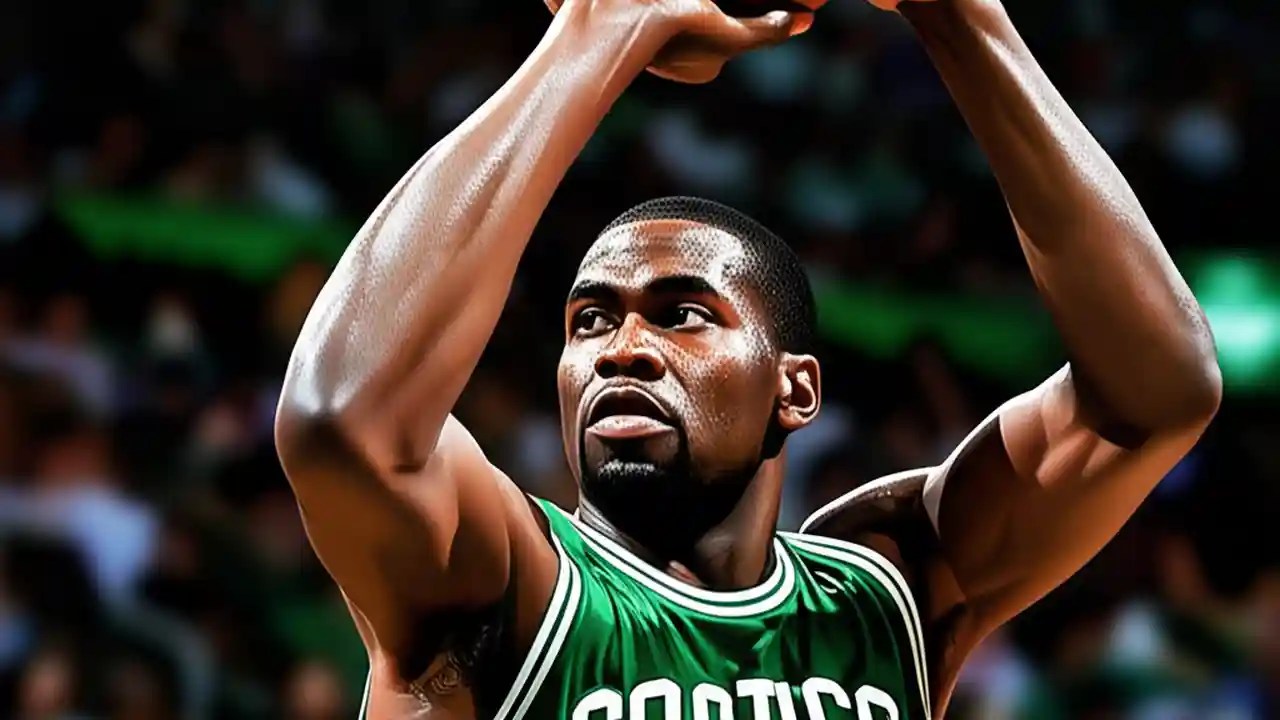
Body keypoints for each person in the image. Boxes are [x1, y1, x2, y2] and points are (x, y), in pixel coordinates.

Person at [273, 0, 1223, 717]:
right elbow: (338, 422)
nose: (623, 352)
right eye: (589, 323)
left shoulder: (885, 588)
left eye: (683, 314)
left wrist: (962, 21)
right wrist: (599, 31)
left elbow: (1158, 391)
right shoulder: (505, 578)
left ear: (795, 387)